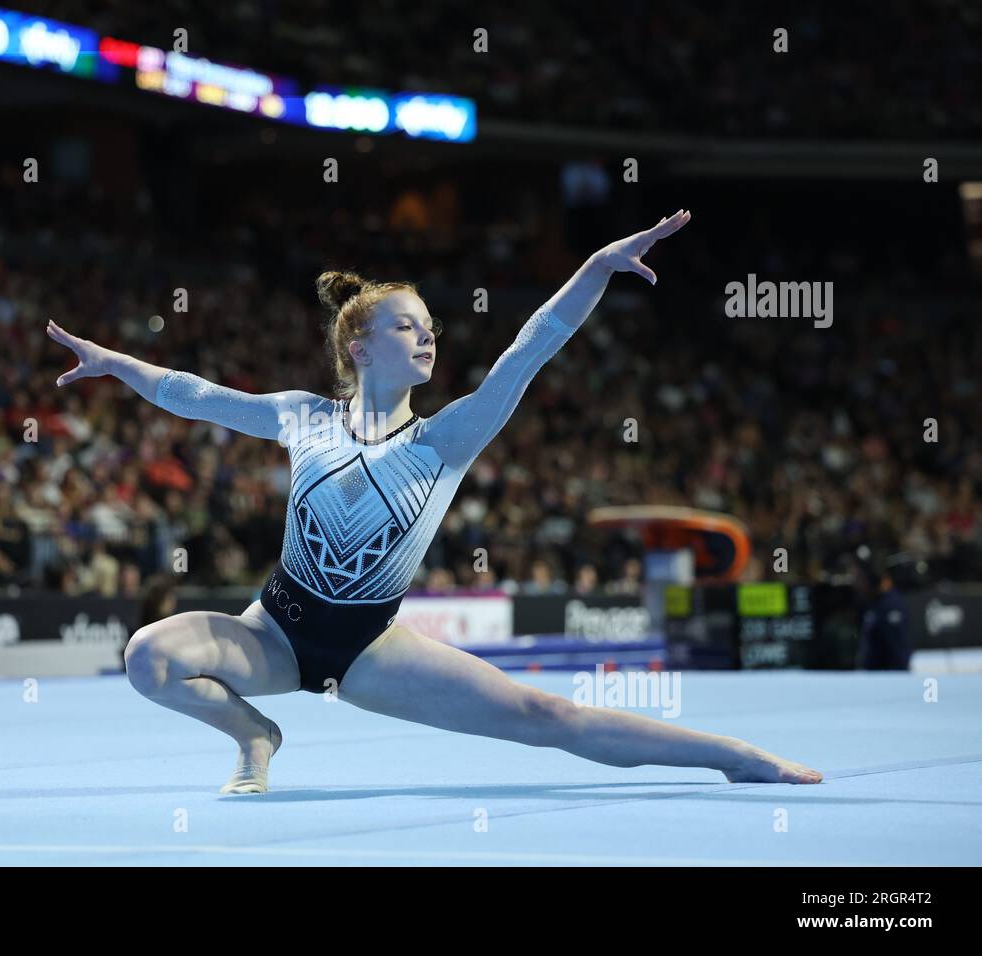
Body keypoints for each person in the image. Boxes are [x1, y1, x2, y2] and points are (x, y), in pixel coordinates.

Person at [50, 209, 824, 793]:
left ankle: (734, 757)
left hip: (371, 652)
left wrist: (595, 265)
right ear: (359, 347)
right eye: (408, 327)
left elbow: (534, 344)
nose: (428, 339)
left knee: (547, 720)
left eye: (432, 328)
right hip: (273, 634)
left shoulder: (447, 439)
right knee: (148, 655)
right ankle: (255, 734)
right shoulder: (304, 416)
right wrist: (113, 362)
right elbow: (194, 396)